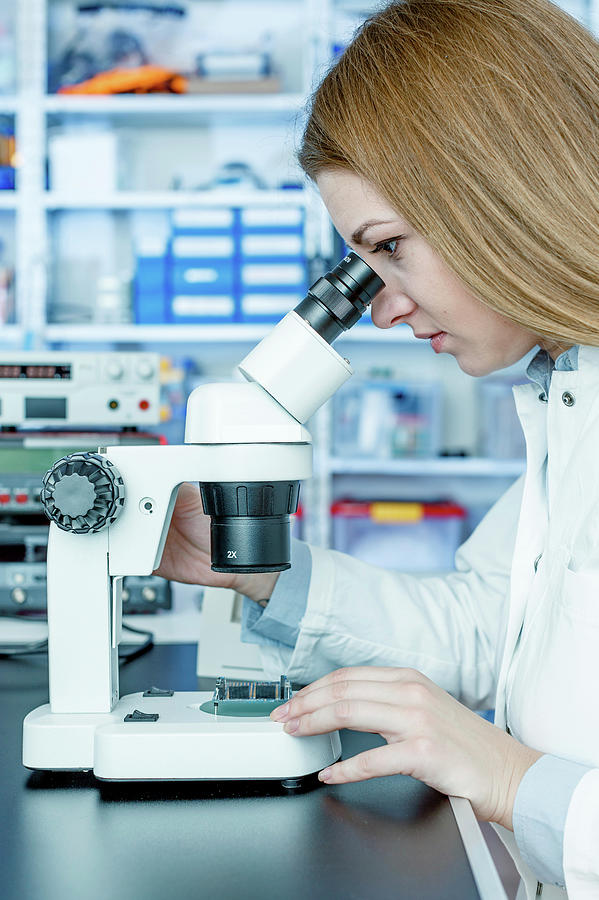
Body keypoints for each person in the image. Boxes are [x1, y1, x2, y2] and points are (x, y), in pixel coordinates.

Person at [156, 1, 599, 896]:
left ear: (504, 194)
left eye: (390, 247)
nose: (385, 309)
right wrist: (263, 572)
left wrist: (518, 783)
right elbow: (491, 628)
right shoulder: (567, 389)